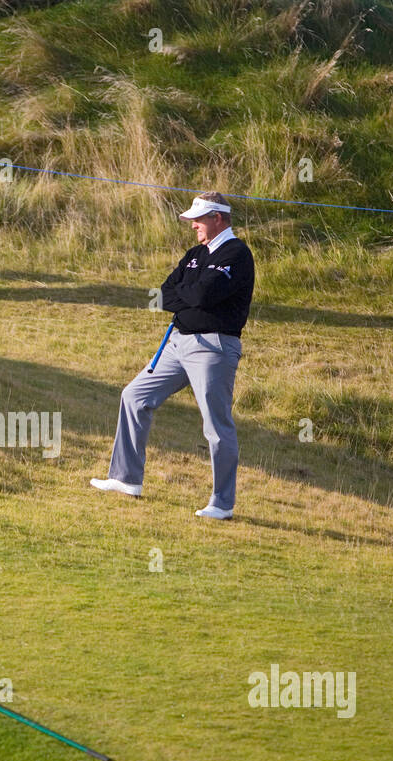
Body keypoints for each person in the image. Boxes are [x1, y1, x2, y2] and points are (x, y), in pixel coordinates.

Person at [90, 192, 255, 519]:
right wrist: (189, 295)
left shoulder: (237, 253)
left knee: (215, 425)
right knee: (134, 395)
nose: (193, 224)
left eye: (200, 219)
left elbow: (205, 295)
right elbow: (166, 293)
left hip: (213, 348)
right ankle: (126, 479)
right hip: (177, 342)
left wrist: (190, 293)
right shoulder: (196, 253)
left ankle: (222, 504)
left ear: (218, 218)